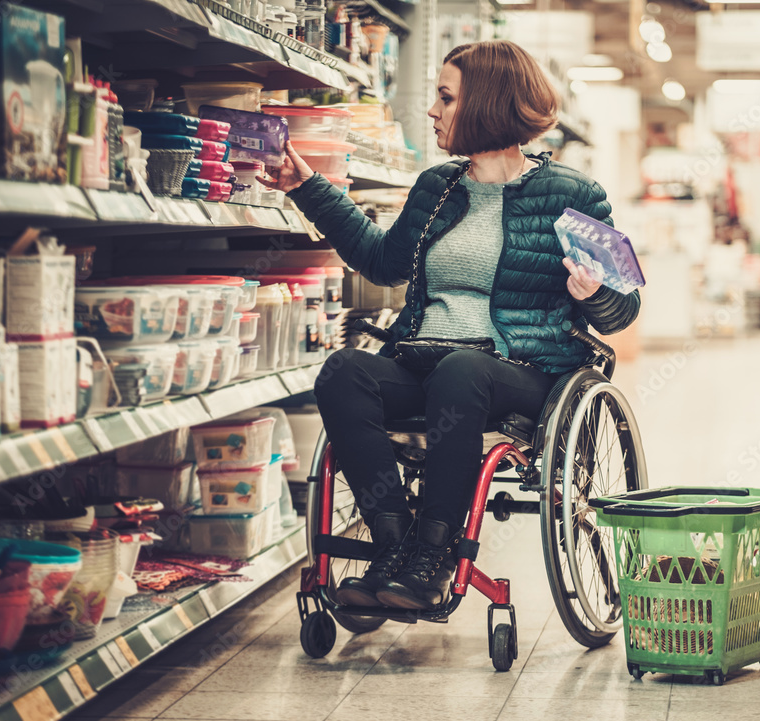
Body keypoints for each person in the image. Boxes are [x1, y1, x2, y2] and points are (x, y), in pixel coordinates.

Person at [258, 40, 640, 611]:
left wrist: (597, 293)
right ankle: (392, 545)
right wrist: (306, 187)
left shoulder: (572, 195)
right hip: (428, 361)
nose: (432, 111)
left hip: (523, 372)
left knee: (462, 371)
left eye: (445, 98)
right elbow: (383, 261)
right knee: (344, 372)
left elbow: (623, 310)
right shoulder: (437, 189)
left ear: (485, 103)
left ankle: (434, 556)